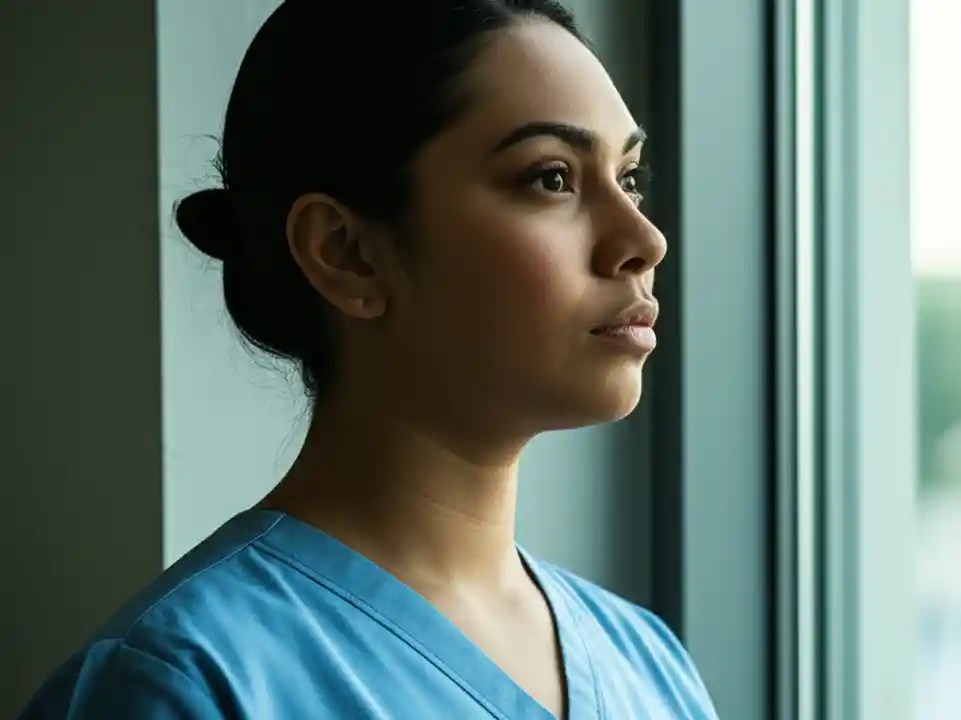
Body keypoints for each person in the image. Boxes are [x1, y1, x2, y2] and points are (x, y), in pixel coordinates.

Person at [19, 2, 718, 718]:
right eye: (550, 178)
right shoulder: (187, 684)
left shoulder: (652, 667)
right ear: (346, 254)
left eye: (629, 178)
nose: (644, 239)